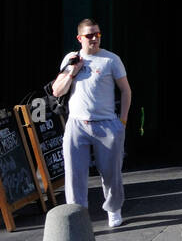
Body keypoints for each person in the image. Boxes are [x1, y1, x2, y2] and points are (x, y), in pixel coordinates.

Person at [52, 19, 131, 229]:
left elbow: (126, 90)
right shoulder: (71, 59)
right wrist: (72, 71)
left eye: (97, 34)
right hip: (77, 124)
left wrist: (122, 121)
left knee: (110, 172)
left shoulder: (111, 60)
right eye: (89, 35)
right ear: (80, 38)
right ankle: (78, 217)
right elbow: (57, 91)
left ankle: (114, 209)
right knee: (74, 174)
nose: (94, 38)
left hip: (106, 124)